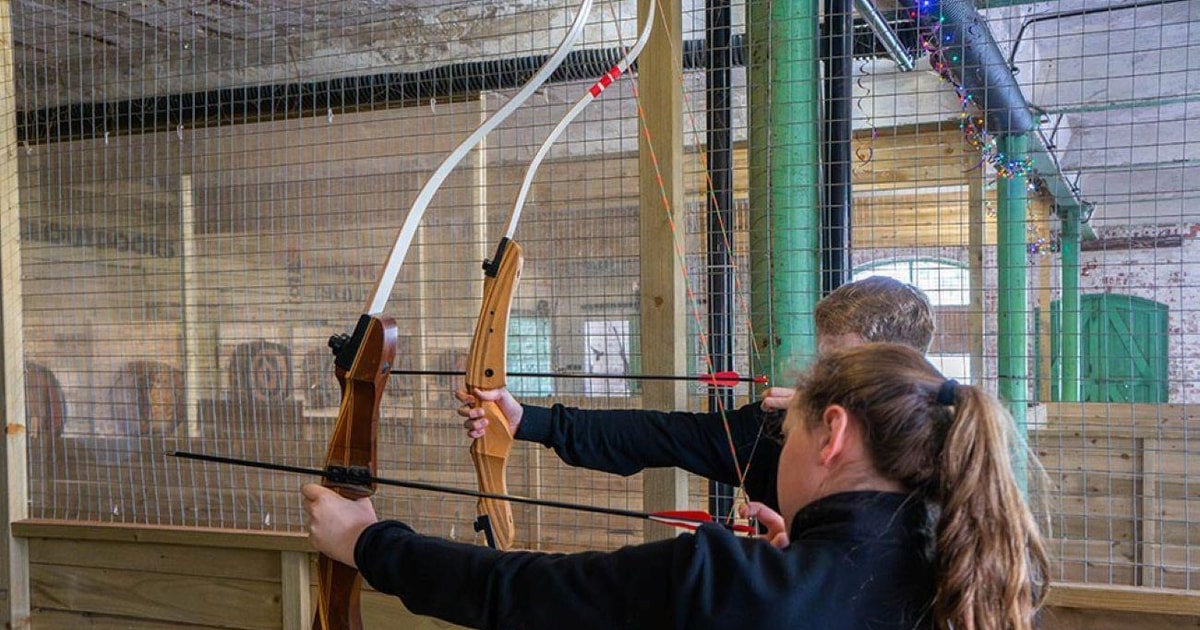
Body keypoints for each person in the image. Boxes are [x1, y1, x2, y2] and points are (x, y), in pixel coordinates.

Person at [304, 343, 1050, 629]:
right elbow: (672, 437)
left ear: (833, 434)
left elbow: (518, 593)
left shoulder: (726, 582)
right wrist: (804, 566)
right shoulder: (969, 579)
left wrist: (367, 541)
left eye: (786, 434)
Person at [457, 275, 936, 513]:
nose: (824, 375)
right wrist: (527, 421)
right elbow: (661, 436)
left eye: (843, 365)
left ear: (897, 366)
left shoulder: (950, 447)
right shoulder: (780, 428)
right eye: (826, 360)